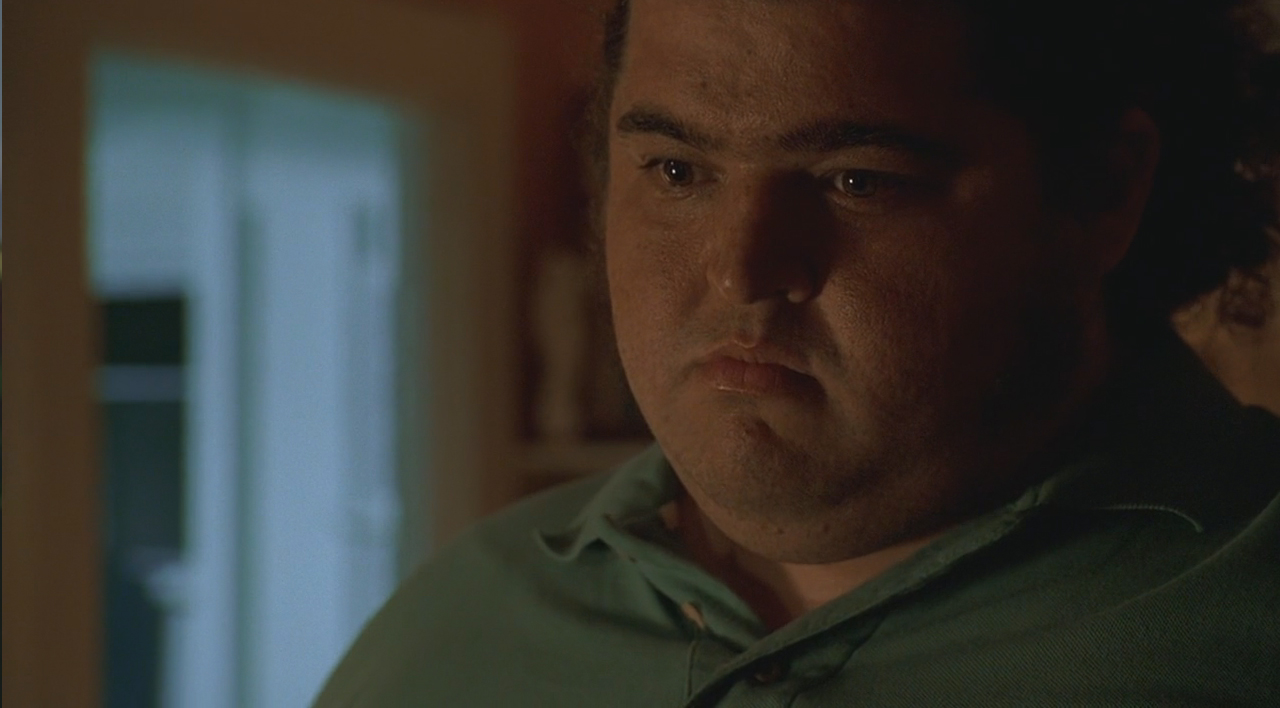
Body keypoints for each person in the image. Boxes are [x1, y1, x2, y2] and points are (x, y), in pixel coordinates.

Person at [316, 0, 1280, 704]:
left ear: (1101, 193)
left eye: (857, 180)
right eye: (677, 170)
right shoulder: (459, 629)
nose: (739, 272)